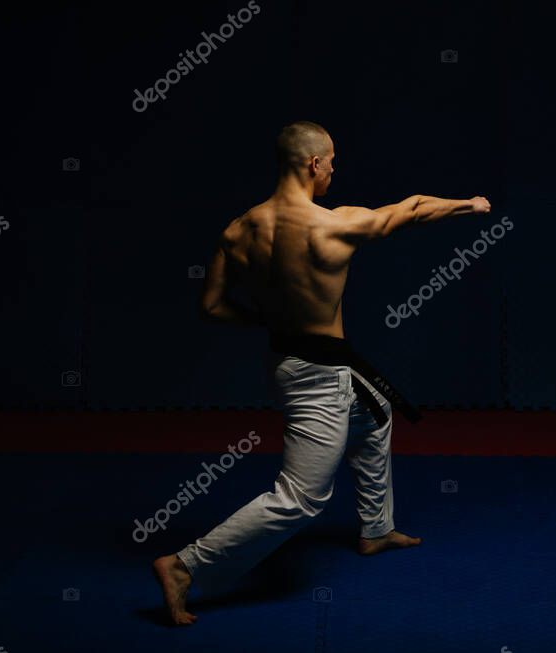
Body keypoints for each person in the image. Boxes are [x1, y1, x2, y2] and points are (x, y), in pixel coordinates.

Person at [153, 120, 491, 625]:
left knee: (374, 419)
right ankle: (184, 565)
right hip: (320, 374)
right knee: (300, 500)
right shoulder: (331, 224)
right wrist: (469, 205)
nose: (334, 169)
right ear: (314, 163)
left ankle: (376, 530)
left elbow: (211, 306)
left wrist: (266, 317)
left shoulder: (237, 230)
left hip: (290, 362)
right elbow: (415, 208)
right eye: (331, 161)